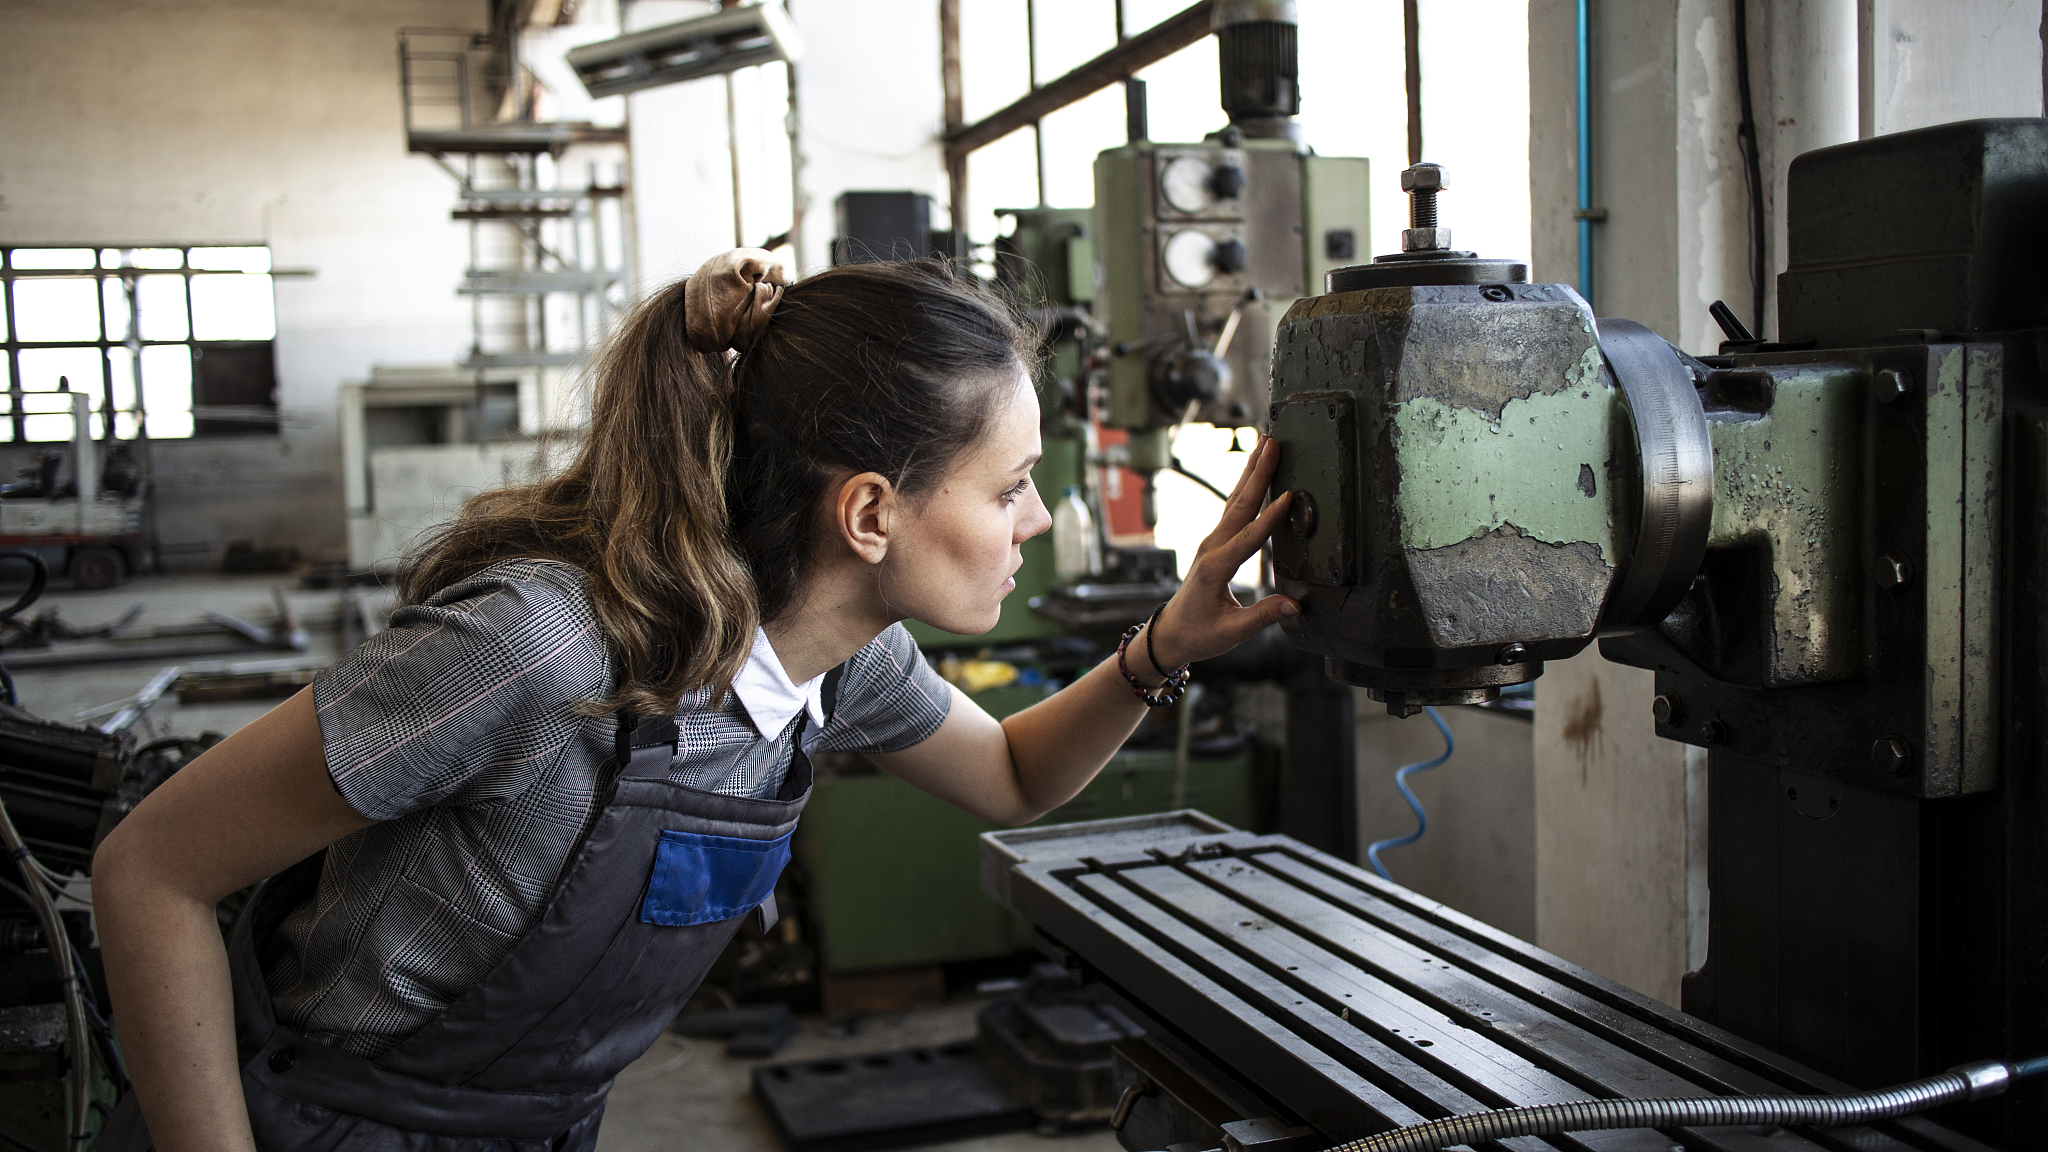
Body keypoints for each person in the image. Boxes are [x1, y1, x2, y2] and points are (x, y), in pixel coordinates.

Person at [90, 249, 1298, 1151]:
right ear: (869, 513)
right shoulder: (542, 647)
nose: (1035, 522)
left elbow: (1016, 777)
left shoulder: (840, 664)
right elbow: (151, 872)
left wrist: (1167, 640)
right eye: (1012, 488)